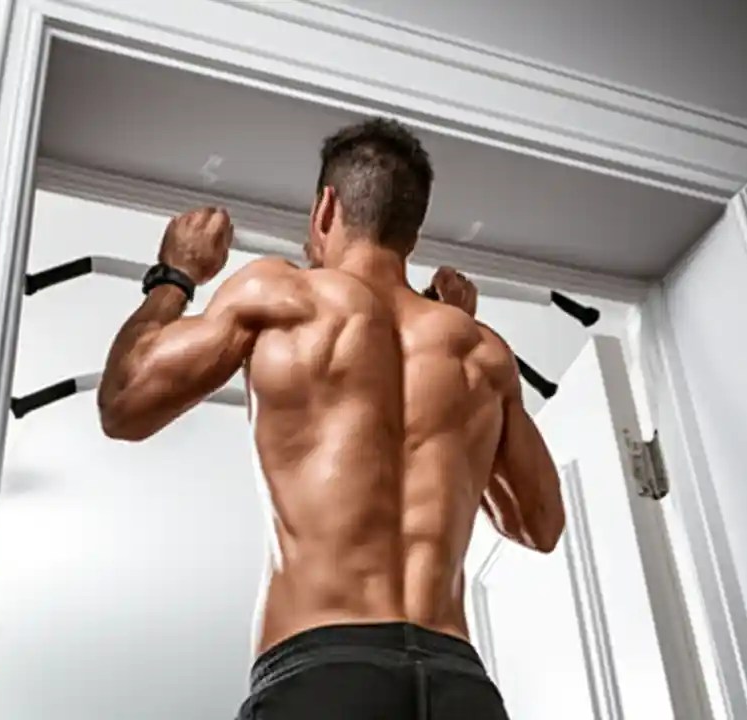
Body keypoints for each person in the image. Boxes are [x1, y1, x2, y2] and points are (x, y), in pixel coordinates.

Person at [98, 118, 564, 720]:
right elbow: (540, 523)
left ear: (325, 209)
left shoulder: (281, 294)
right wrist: (458, 391)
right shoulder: (478, 349)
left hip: (325, 676)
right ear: (412, 235)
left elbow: (124, 403)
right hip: (458, 686)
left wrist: (175, 275)